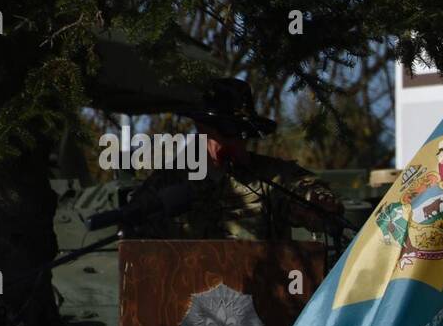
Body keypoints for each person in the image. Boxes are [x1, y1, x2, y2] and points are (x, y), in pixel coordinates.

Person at [131, 77, 343, 239]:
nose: (237, 142)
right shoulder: (168, 182)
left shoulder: (271, 179)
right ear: (202, 128)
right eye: (228, 131)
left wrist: (318, 202)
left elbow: (303, 191)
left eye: (244, 134)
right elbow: (136, 238)